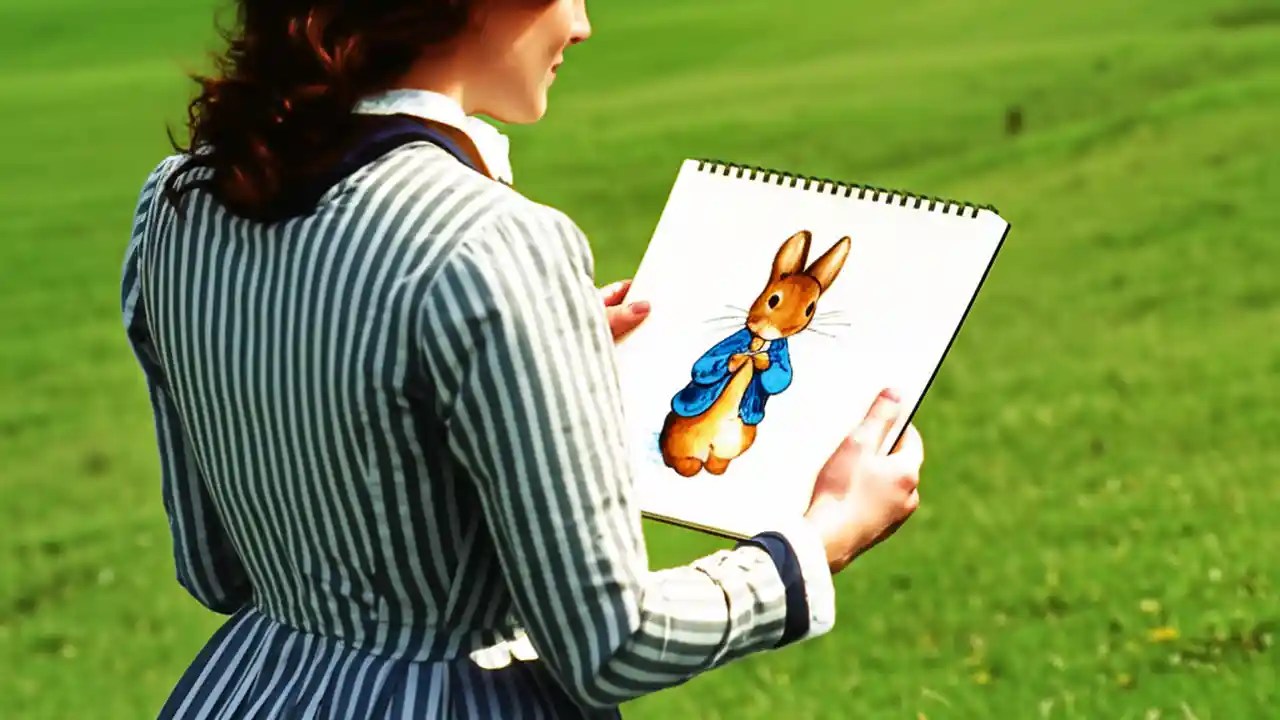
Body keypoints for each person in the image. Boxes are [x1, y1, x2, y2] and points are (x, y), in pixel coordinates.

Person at [120, 1, 924, 717]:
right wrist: (821, 538)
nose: (581, 23)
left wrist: (514, 358)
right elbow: (614, 643)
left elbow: (217, 569)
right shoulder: (493, 242)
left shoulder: (178, 200)